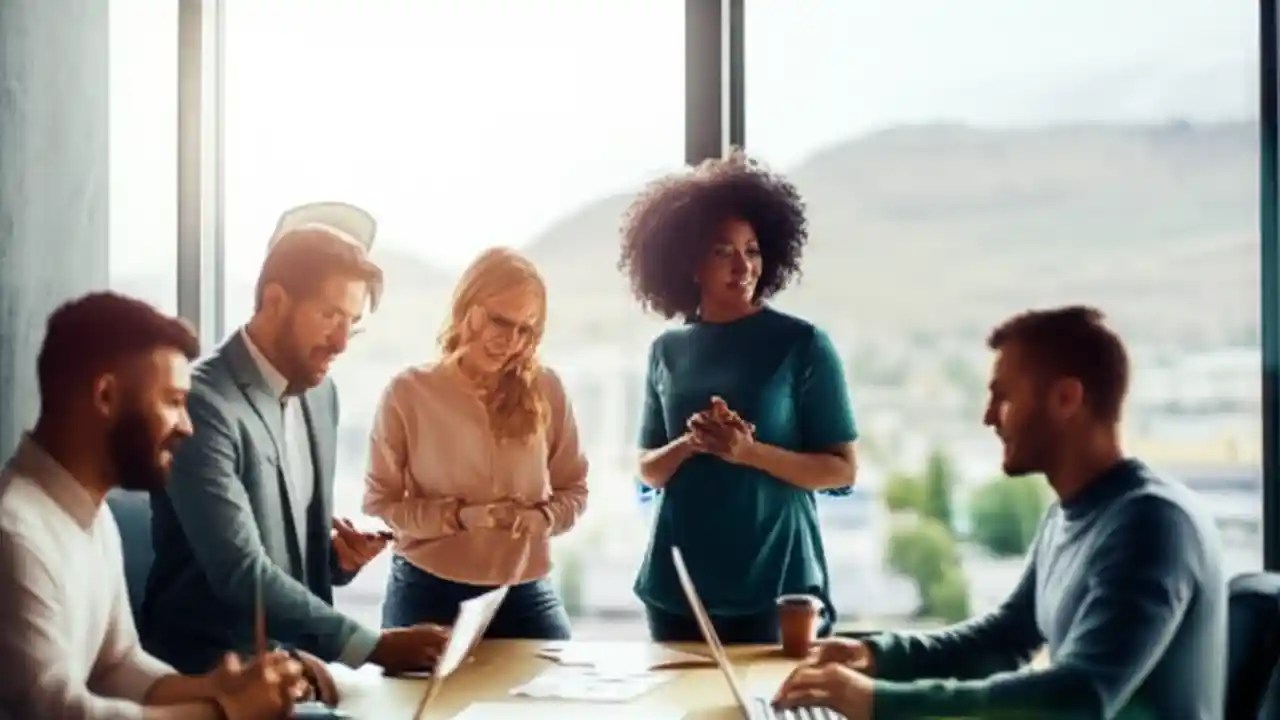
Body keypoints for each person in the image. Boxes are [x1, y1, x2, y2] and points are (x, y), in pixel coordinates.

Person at [773, 306, 1227, 720]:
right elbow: (1004, 639)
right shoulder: (1071, 515)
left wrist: (875, 701)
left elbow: (1080, 698)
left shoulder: (1152, 524)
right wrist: (876, 657)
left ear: (1066, 398)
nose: (989, 418)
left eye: (1003, 397)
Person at [142, 202, 448, 678]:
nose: (342, 342)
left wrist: (332, 562)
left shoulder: (319, 392)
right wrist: (373, 646)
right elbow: (240, 573)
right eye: (329, 315)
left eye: (353, 322)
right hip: (210, 677)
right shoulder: (202, 404)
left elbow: (280, 554)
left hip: (295, 671)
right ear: (274, 301)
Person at [0, 292, 304, 719]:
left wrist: (218, 687)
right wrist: (222, 713)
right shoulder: (14, 534)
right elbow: (54, 712)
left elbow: (116, 664)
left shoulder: (92, 514)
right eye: (174, 401)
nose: (187, 426)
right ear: (106, 396)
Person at [618, 152, 859, 644]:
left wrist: (748, 452)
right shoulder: (667, 350)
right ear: (689, 263)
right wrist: (692, 441)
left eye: (751, 250)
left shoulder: (803, 344)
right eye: (722, 251)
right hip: (676, 585)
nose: (742, 266)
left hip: (778, 584)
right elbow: (648, 470)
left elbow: (842, 470)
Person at [363, 247, 588, 639]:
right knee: (415, 699)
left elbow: (575, 490)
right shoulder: (408, 392)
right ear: (466, 308)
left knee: (564, 690)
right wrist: (458, 517)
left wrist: (543, 520)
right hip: (425, 588)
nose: (511, 341)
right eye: (500, 322)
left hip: (523, 589)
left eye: (526, 330)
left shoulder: (547, 389)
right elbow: (380, 502)